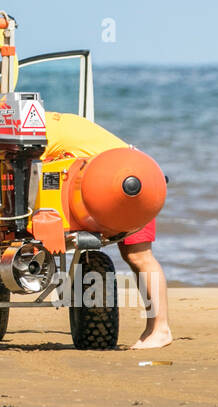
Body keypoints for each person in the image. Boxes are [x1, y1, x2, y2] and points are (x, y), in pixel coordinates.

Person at [43, 111, 172, 350]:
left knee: (140, 257)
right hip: (141, 174)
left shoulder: (44, 133)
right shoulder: (59, 122)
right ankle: (155, 328)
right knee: (138, 257)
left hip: (126, 181)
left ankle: (161, 329)